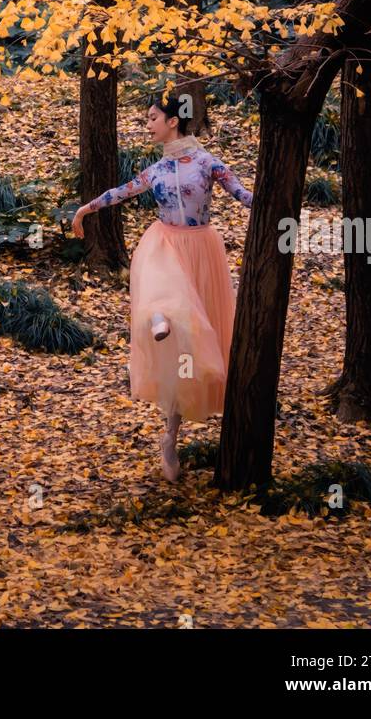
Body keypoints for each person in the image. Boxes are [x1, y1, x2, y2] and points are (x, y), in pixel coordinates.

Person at [71, 94, 253, 483]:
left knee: (188, 344)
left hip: (201, 251)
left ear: (173, 121)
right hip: (164, 243)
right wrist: (85, 209)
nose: (148, 124)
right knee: (161, 292)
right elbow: (121, 192)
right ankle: (160, 316)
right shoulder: (155, 170)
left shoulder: (208, 164)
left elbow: (245, 196)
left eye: (152, 117)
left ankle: (170, 434)